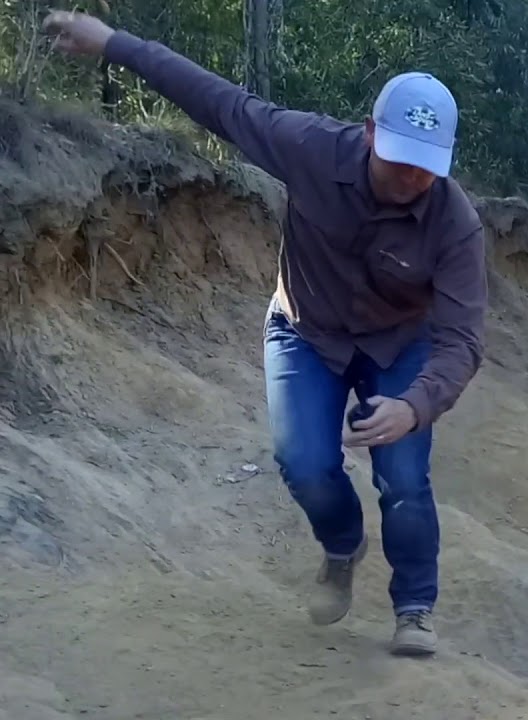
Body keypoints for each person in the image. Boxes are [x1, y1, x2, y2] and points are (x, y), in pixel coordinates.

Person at [41, 11, 488, 657]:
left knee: (404, 479)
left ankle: (415, 608)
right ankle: (342, 546)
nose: (414, 177)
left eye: (428, 166)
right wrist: (113, 44)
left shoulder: (455, 223)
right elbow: (217, 101)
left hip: (398, 345)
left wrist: (414, 405)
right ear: (369, 134)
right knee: (304, 463)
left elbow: (464, 338)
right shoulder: (307, 147)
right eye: (401, 161)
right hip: (305, 329)